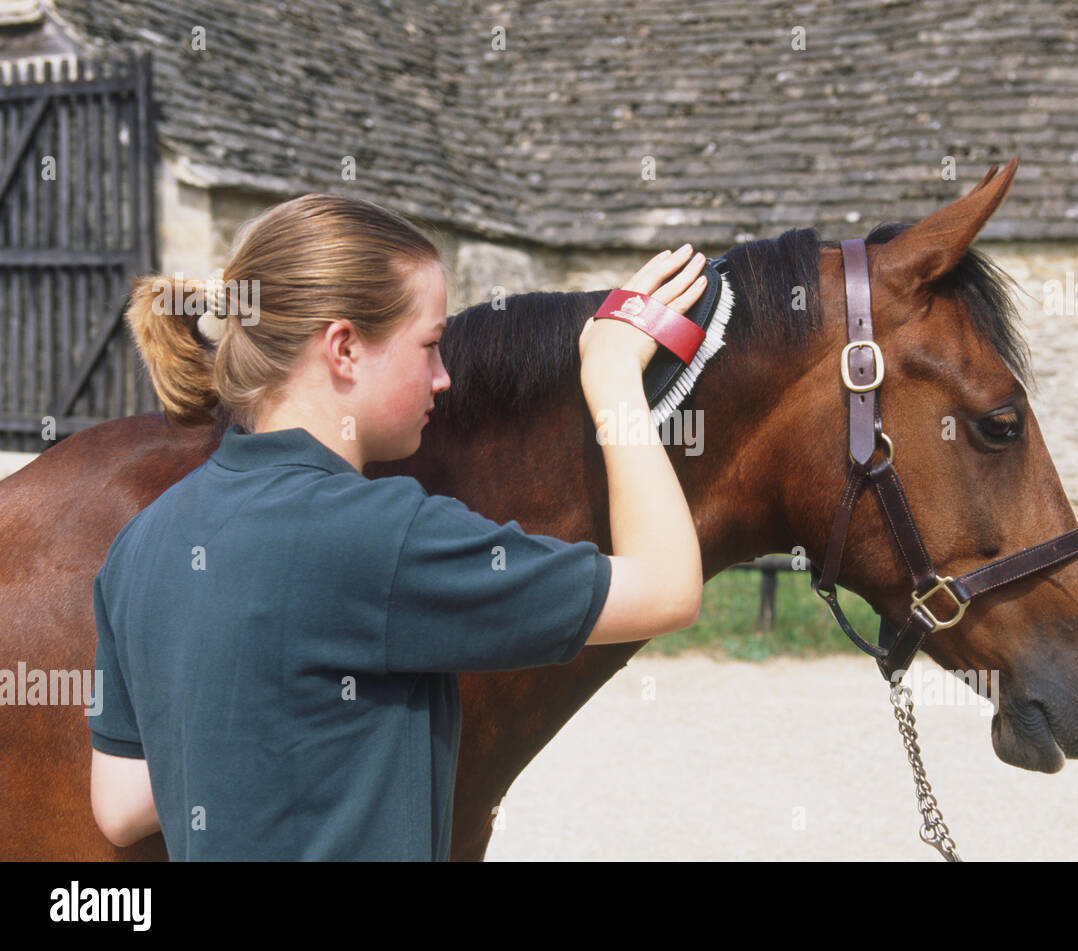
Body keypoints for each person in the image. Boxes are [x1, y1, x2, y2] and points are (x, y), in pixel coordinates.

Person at [88, 192, 705, 860]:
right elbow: (668, 587)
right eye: (431, 344)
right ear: (345, 347)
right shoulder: (381, 533)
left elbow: (119, 805)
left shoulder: (140, 544)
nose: (444, 377)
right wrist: (612, 374)